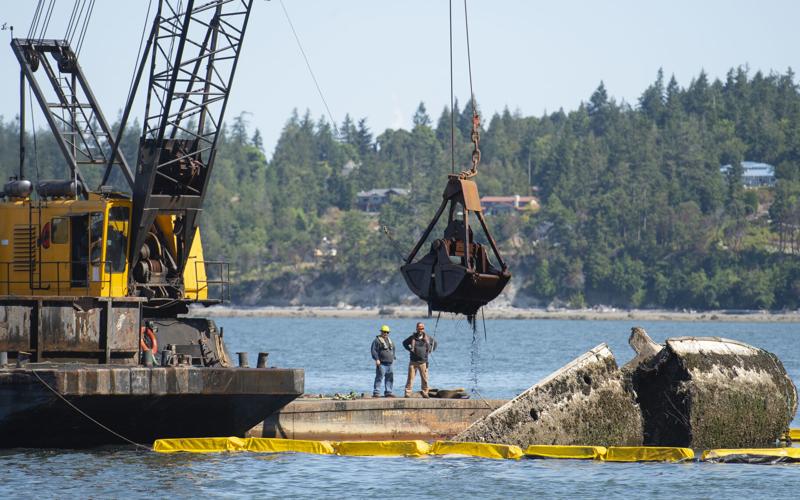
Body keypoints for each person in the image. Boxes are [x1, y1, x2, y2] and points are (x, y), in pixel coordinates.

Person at [403, 322, 437, 398]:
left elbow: (435, 343)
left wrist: (431, 350)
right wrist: (409, 349)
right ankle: (407, 392)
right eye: (419, 328)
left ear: (424, 329)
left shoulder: (427, 338)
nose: (420, 329)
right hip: (413, 361)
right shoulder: (412, 337)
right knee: (410, 378)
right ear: (416, 328)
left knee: (425, 379)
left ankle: (425, 392)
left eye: (422, 328)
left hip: (423, 362)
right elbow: (404, 343)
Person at [371, 325, 396, 397]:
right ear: (381, 332)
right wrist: (377, 359)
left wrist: (393, 357)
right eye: (384, 332)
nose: (386, 333)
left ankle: (388, 392)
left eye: (387, 332)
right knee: (379, 377)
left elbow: (393, 349)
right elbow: (373, 351)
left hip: (390, 364)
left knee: (390, 378)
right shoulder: (377, 341)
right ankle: (376, 392)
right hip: (381, 363)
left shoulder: (390, 340)